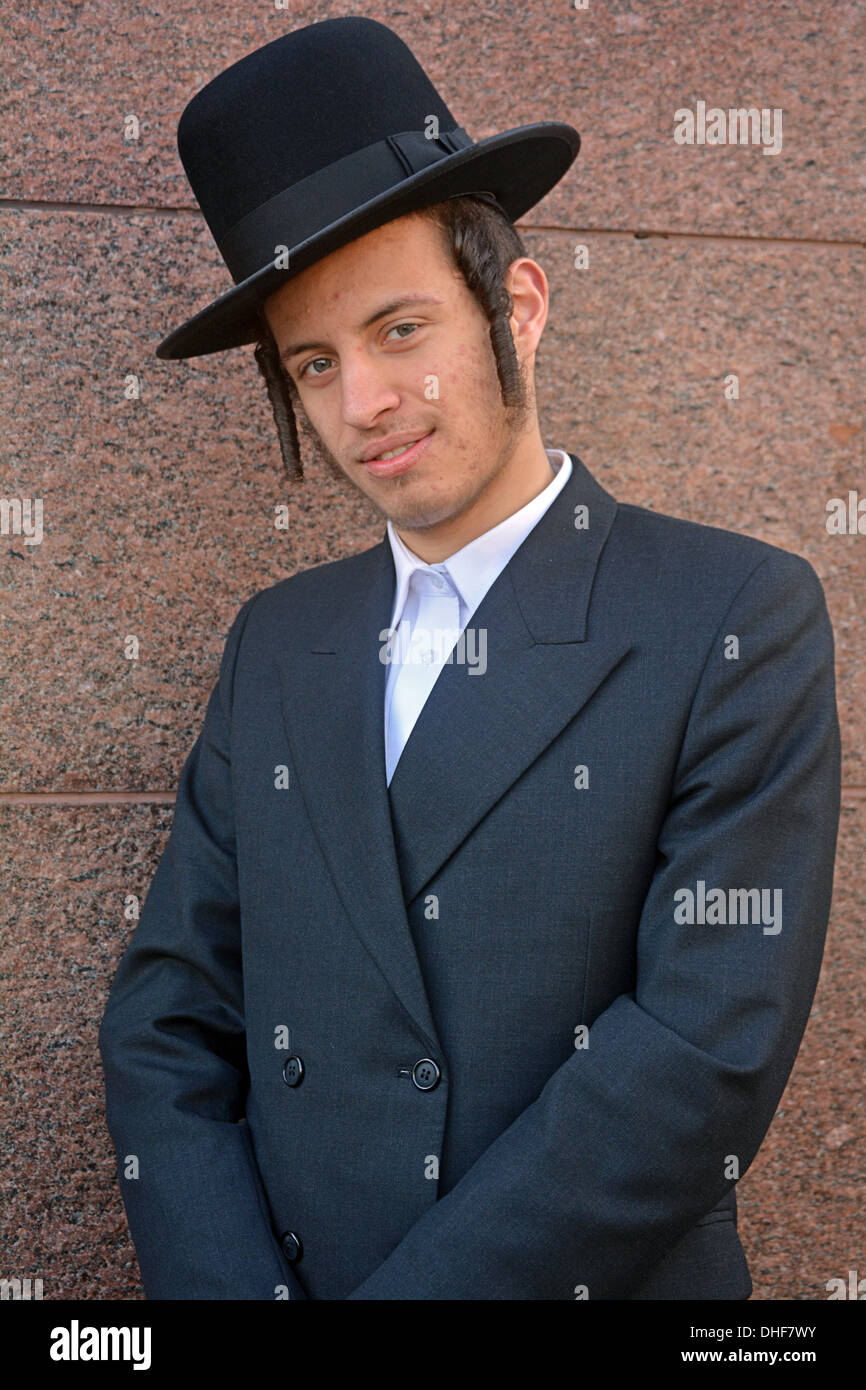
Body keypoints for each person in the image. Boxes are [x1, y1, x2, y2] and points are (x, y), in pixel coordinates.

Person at [98, 16, 841, 1300]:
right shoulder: (278, 643)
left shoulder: (733, 611)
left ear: (519, 303)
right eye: (313, 363)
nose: (363, 404)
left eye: (400, 331)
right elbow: (167, 1022)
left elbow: (696, 1057)